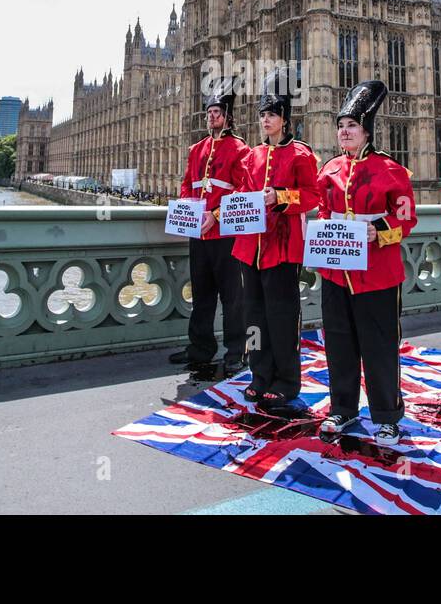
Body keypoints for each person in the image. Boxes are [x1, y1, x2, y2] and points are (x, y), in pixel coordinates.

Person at [314, 80, 417, 447]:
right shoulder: (328, 170)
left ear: (366, 131)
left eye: (352, 126)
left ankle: (387, 416)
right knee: (339, 343)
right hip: (336, 272)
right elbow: (324, 211)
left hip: (377, 273)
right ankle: (343, 408)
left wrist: (379, 231)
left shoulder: (391, 170)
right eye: (341, 126)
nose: (344, 132)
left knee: (379, 346)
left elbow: (405, 219)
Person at [231, 68, 321, 409]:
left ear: (284, 119)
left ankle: (286, 379)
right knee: (253, 317)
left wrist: (281, 197)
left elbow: (312, 197)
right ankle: (259, 374)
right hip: (249, 249)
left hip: (283, 248)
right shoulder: (251, 156)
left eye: (271, 115)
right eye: (262, 115)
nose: (265, 121)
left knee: (282, 317)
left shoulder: (301, 155)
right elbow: (242, 192)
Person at [169, 78, 250, 375]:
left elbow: (243, 190)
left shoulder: (240, 149)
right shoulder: (197, 149)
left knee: (233, 297)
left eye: (217, 112)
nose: (211, 117)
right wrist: (186, 211)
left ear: (228, 117)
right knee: (201, 293)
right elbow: (187, 185)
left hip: (225, 233)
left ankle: (236, 350)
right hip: (198, 234)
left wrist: (215, 214)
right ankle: (200, 348)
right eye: (209, 112)